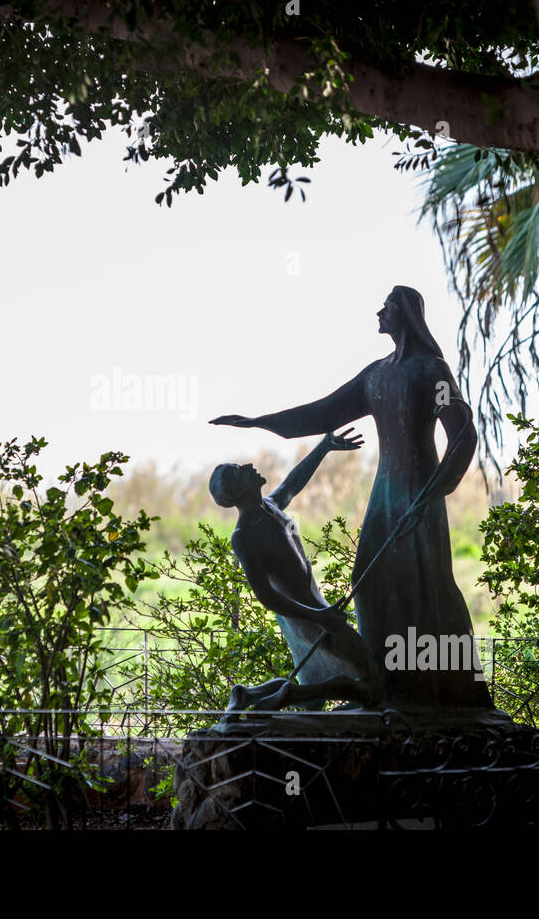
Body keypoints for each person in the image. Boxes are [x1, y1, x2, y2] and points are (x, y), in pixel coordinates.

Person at [211, 286, 492, 710]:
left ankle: (442, 691)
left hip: (419, 492)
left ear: (407, 316)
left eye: (388, 307)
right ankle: (386, 684)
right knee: (370, 582)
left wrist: (436, 488)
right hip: (385, 494)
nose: (379, 312)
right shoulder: (376, 376)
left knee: (427, 585)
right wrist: (260, 422)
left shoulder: (431, 371)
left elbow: (463, 433)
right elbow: (320, 412)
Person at [208, 429, 381, 715]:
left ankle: (249, 693)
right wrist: (319, 617)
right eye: (240, 471)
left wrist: (323, 447)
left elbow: (293, 483)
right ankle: (288, 693)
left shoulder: (272, 506)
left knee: (313, 698)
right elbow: (267, 596)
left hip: (316, 609)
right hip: (306, 617)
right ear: (236, 491)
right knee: (374, 688)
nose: (249, 467)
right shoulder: (244, 536)